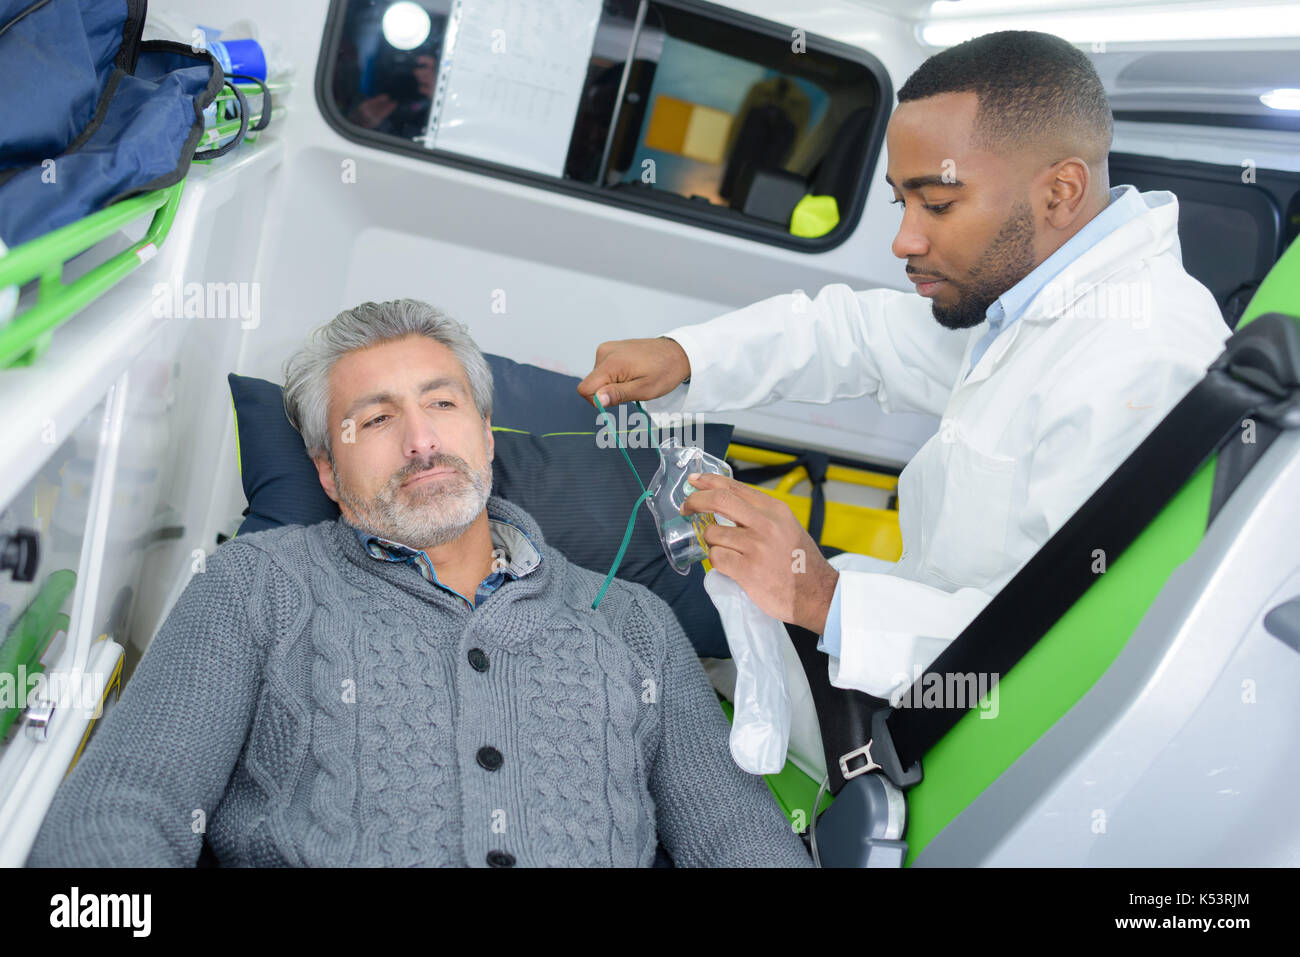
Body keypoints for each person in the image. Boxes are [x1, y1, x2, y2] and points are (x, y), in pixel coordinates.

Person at [26, 299, 812, 868]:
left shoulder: (632, 622)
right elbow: (122, 808)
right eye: (375, 420)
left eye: (443, 403)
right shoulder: (255, 587)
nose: (422, 440)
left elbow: (737, 839)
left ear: (487, 440)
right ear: (329, 474)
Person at [576, 31, 1231, 700]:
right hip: (908, 691)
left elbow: (1069, 649)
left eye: (938, 204)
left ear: (1061, 192)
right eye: (901, 201)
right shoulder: (1030, 301)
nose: (904, 240)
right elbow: (857, 336)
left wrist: (823, 598)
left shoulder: (1141, 360)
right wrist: (689, 356)